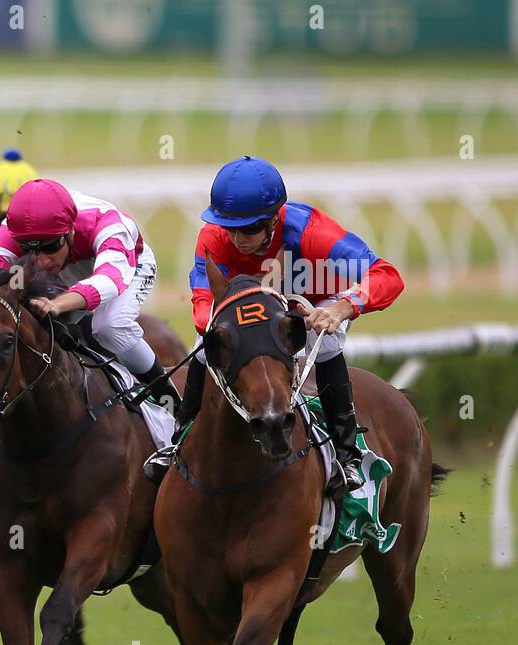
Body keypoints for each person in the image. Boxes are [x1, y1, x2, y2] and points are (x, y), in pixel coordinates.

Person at [144, 156, 404, 491]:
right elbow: (203, 302)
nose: (238, 239)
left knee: (325, 343)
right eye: (230, 228)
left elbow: (387, 275)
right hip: (247, 307)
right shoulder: (212, 238)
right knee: (204, 349)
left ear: (273, 220)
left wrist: (342, 308)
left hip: (311, 303)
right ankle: (178, 441)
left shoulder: (313, 233)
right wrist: (217, 326)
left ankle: (346, 453)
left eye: (250, 228)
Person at [0, 177, 179, 408]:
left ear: (71, 231)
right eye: (29, 249)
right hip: (70, 269)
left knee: (108, 326)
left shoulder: (107, 225)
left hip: (127, 265)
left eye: (50, 246)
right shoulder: (14, 229)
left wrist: (58, 304)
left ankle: (171, 402)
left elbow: (109, 280)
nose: (42, 260)